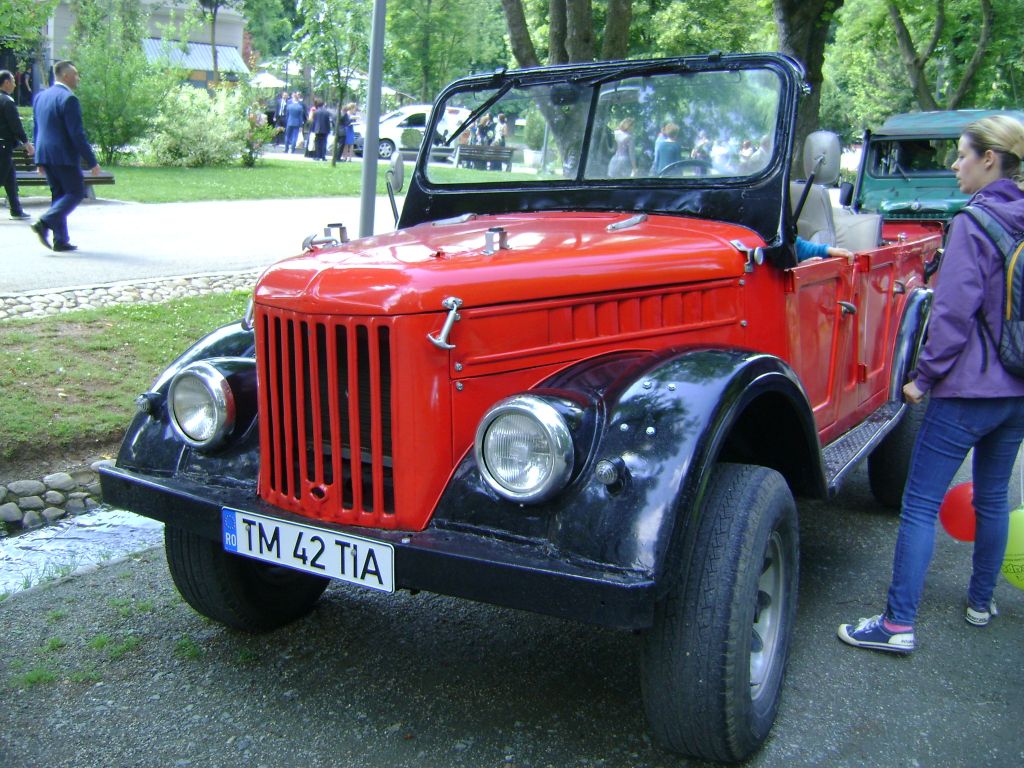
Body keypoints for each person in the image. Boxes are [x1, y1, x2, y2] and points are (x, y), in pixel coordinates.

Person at [838, 115, 1024, 654]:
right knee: (993, 496)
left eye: (962, 155)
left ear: (990, 159)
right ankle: (982, 601)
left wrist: (924, 377)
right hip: (1017, 389)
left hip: (968, 389)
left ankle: (897, 624)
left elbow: (952, 314)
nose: (954, 165)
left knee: (920, 504)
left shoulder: (974, 222)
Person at [30, 61, 101, 252]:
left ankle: (60, 240)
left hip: (46, 154)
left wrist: (39, 159)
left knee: (59, 195)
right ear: (65, 76)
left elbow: (37, 130)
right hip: (63, 155)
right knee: (76, 192)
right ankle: (45, 222)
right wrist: (92, 161)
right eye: (76, 74)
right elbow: (77, 134)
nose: (78, 78)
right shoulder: (69, 99)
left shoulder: (40, 97)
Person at [0, 69, 34, 220]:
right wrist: (26, 142)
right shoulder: (7, 101)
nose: (15, 84)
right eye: (13, 81)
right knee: (2, 176)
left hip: (4, 146)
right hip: (4, 146)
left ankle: (16, 209)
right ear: (6, 83)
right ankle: (16, 209)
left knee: (10, 178)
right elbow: (16, 125)